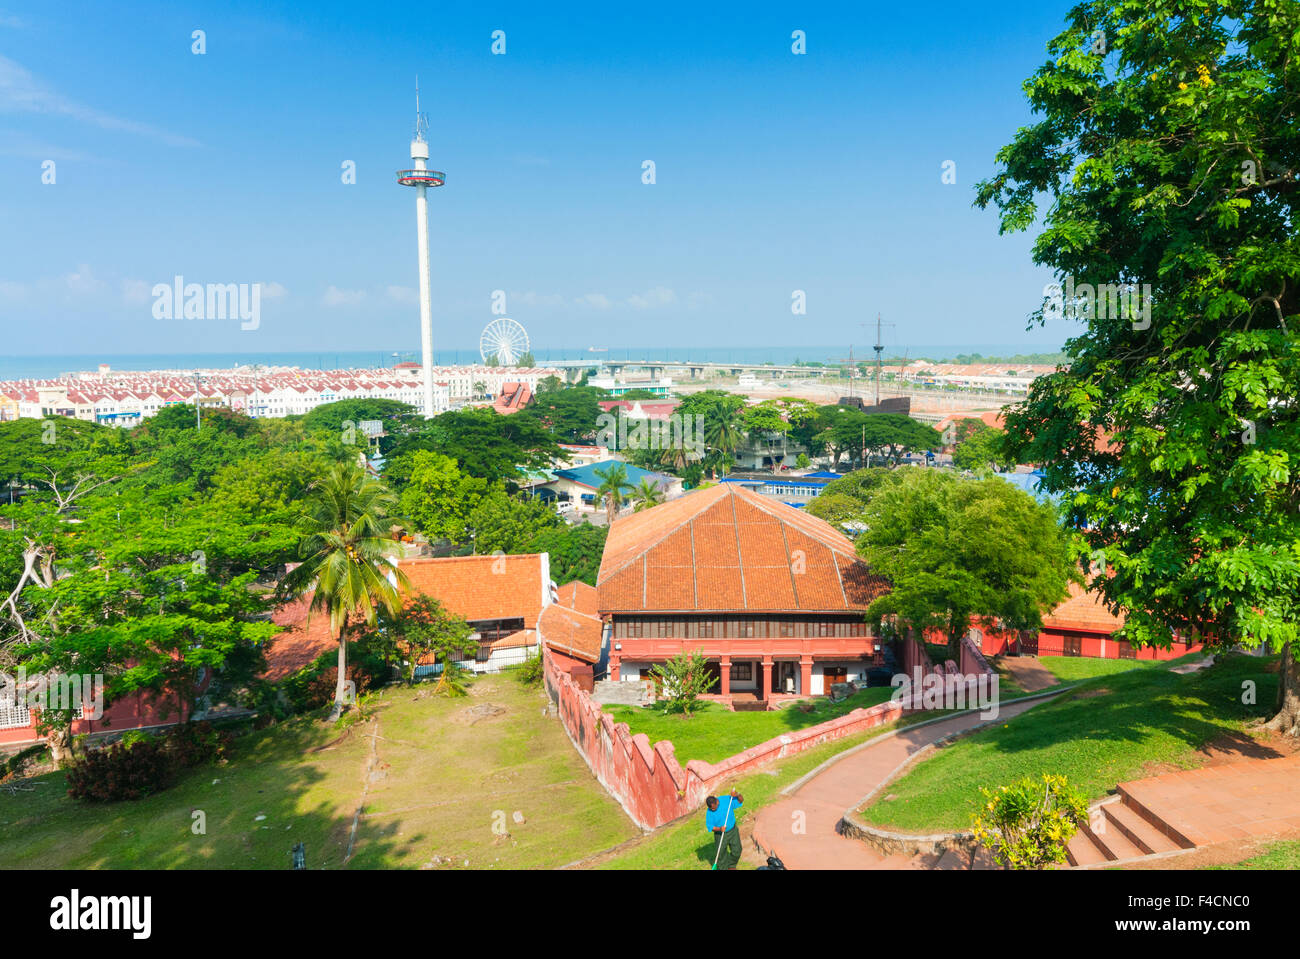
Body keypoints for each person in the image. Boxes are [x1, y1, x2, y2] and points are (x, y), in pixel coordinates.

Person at [705, 789, 744, 870]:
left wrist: (737, 794)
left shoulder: (726, 800)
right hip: (720, 834)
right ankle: (724, 868)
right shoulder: (709, 812)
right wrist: (719, 828)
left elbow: (740, 801)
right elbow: (710, 827)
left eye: (714, 808)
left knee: (737, 850)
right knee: (721, 854)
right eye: (711, 808)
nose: (712, 810)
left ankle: (731, 865)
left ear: (717, 802)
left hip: (733, 831)